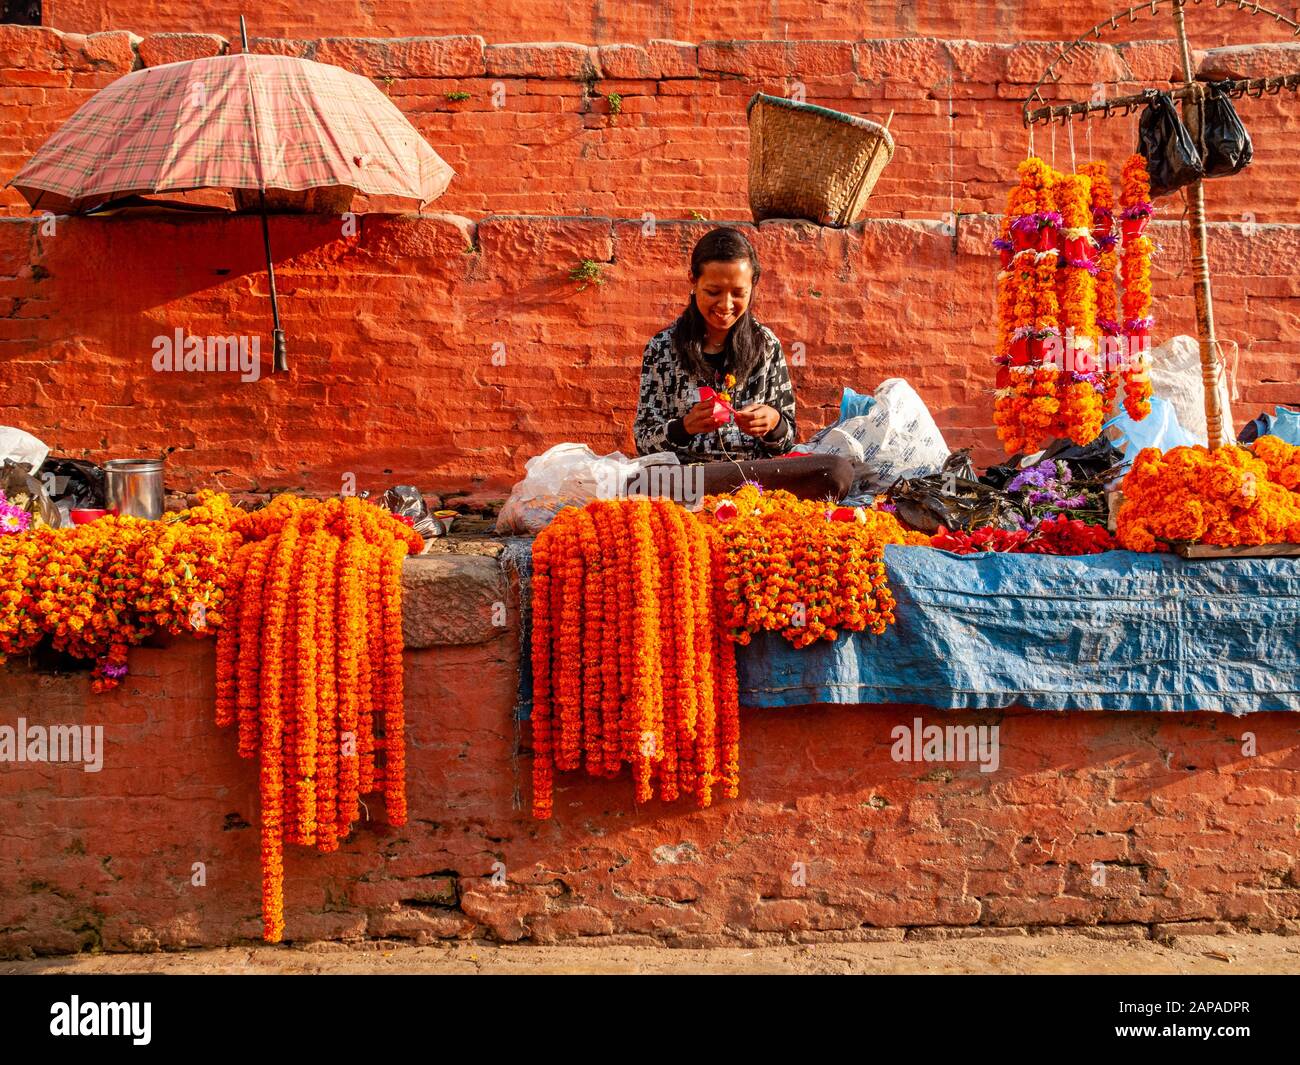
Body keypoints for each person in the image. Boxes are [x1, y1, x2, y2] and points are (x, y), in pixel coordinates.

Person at [632, 226, 856, 501]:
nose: (725, 305)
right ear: (692, 280)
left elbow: (786, 441)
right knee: (637, 481)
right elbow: (644, 442)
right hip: (691, 476)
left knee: (836, 471)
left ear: (753, 286)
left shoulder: (767, 345)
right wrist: (685, 427)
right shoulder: (661, 349)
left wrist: (774, 423)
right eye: (713, 291)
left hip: (756, 476)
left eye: (738, 293)